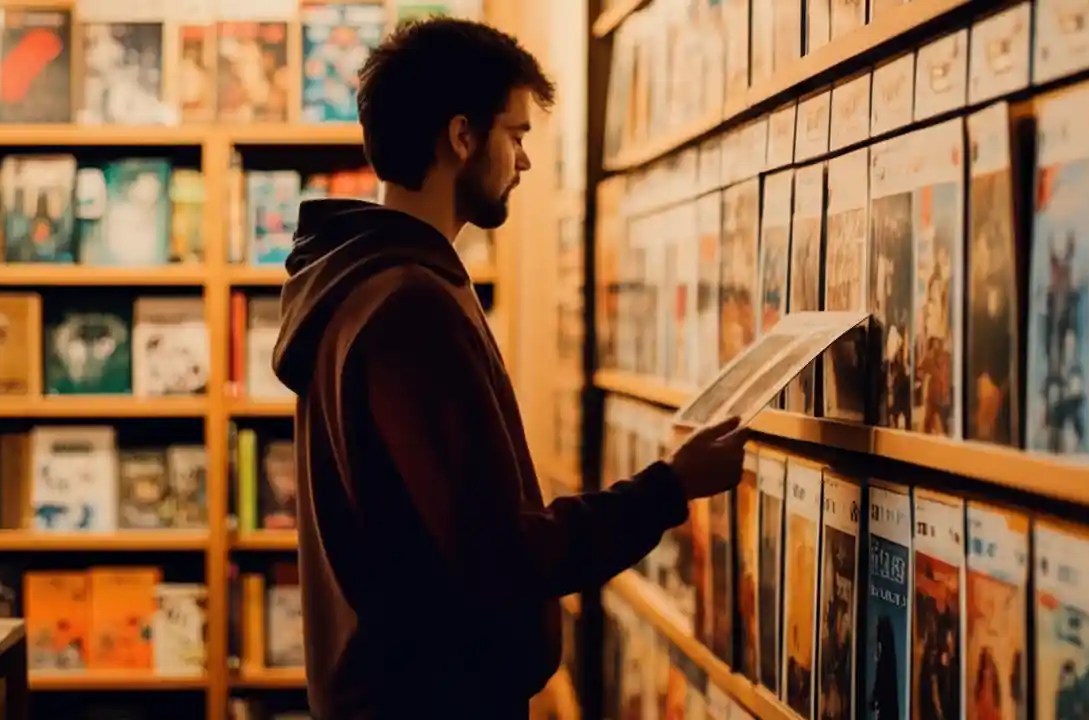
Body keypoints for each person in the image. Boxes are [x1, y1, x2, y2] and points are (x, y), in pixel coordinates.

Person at [271, 17, 749, 719]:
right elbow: (502, 555)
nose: (523, 161)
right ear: (462, 137)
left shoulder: (368, 285)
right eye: (516, 135)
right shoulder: (409, 306)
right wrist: (670, 486)